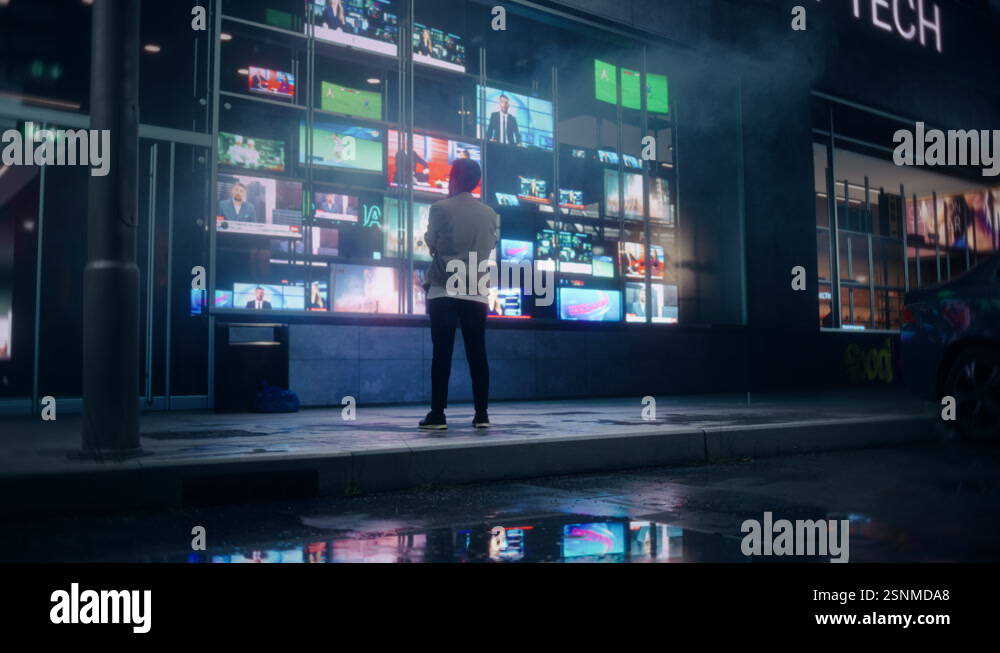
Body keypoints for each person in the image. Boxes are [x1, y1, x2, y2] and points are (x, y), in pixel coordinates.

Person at [419, 158, 498, 431]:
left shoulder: (439, 207)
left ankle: (438, 415)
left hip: (444, 289)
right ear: (476, 182)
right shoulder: (490, 213)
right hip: (476, 291)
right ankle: (482, 414)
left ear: (452, 178)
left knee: (442, 354)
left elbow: (431, 244)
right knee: (478, 354)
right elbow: (490, 246)